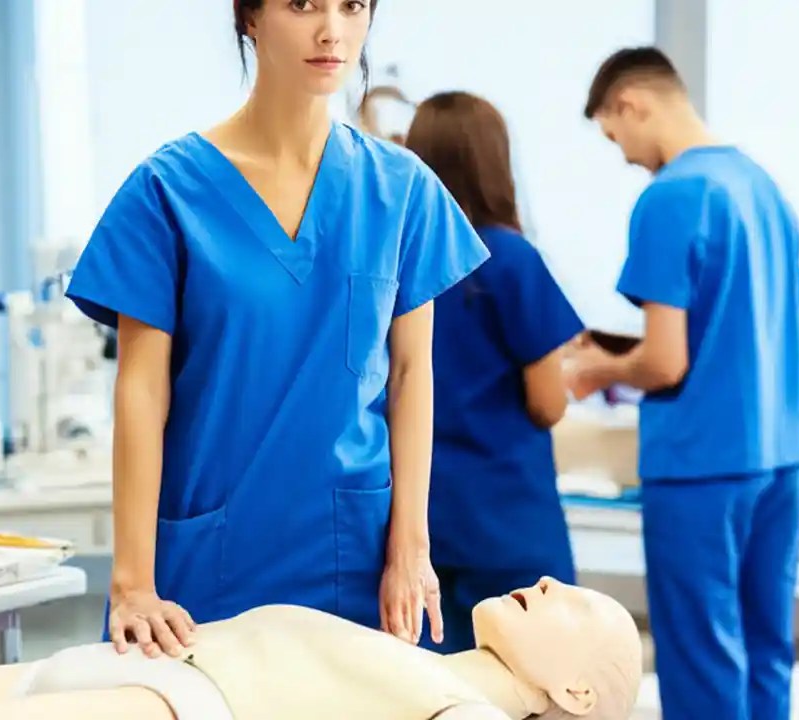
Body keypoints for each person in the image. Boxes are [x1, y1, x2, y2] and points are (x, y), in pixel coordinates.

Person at [65, 0, 489, 659]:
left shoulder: (401, 190)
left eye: (351, 7)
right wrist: (132, 583)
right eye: (302, 5)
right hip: (205, 565)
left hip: (355, 562)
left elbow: (411, 376)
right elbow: (142, 393)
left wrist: (411, 548)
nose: (331, 31)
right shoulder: (166, 192)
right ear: (250, 18)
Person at [566, 47, 799, 720]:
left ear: (630, 105)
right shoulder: (764, 188)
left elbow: (665, 363)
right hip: (780, 455)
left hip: (702, 461)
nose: (624, 157)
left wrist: (595, 369)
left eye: (614, 137)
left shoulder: (670, 196)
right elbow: (746, 327)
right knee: (765, 648)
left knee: (702, 657)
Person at [0, 579, 643, 720]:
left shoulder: (467, 709)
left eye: (579, 610)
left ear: (574, 697)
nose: (550, 583)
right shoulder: (433, 665)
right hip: (126, 669)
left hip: (172, 703)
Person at [402, 92, 584, 654]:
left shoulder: (403, 258)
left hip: (422, 520)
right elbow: (547, 403)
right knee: (535, 679)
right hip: (508, 523)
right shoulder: (508, 259)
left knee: (435, 683)